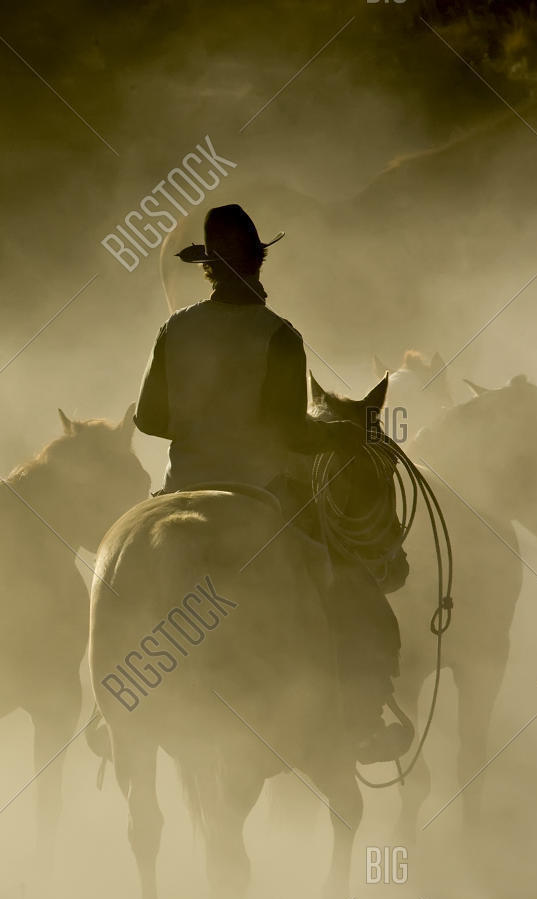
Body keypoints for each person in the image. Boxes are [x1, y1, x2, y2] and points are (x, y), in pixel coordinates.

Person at [133, 203, 410, 764]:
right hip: (258, 495)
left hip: (176, 489)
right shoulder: (279, 336)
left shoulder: (175, 328)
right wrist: (349, 436)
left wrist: (201, 417)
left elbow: (149, 420)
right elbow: (292, 432)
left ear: (208, 268)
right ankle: (362, 719)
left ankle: (106, 710)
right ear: (259, 264)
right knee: (351, 586)